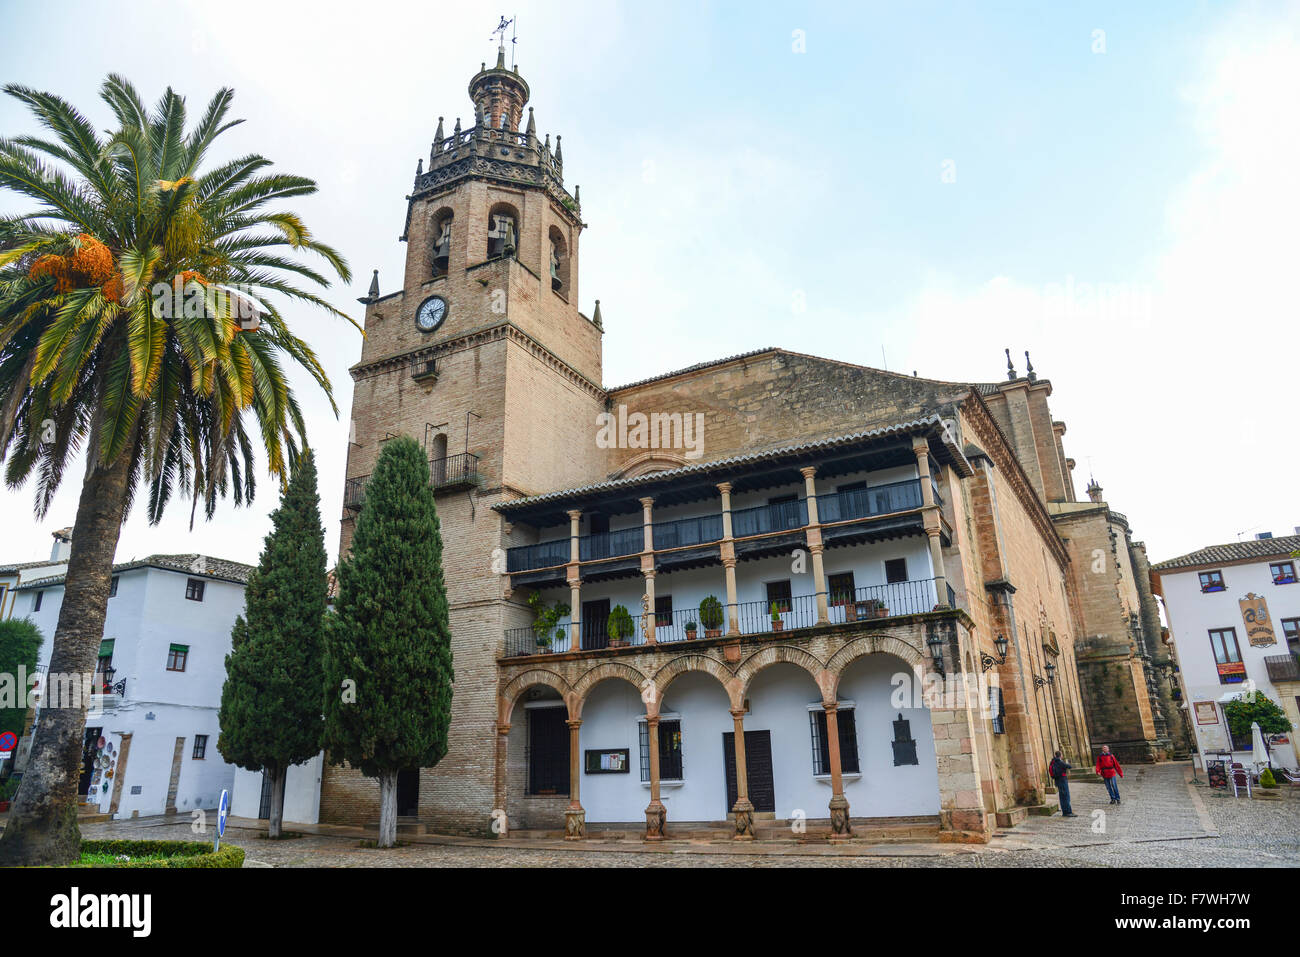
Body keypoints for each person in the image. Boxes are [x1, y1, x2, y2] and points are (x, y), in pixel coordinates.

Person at [1048, 750, 1075, 816]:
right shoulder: (1060, 762)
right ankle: (1068, 812)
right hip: (1062, 780)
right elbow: (1069, 766)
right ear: (1061, 755)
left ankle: (1064, 811)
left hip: (1058, 781)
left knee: (1062, 797)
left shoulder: (1053, 761)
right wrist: (1066, 762)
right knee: (1066, 796)